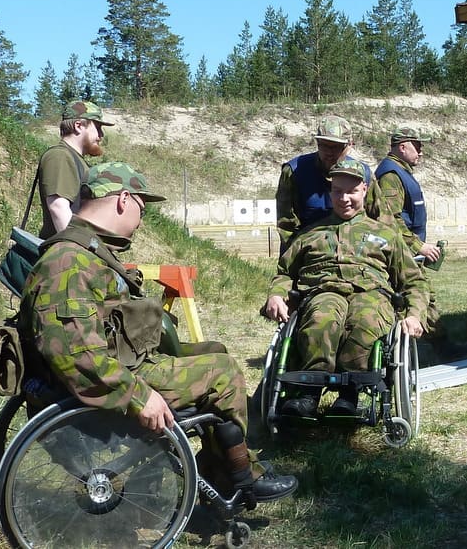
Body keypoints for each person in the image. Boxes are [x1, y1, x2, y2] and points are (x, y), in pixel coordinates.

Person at [19, 161, 297, 504]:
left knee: (216, 350)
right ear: (123, 199)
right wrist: (138, 395)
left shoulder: (85, 251)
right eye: (141, 206)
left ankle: (222, 466)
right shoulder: (69, 262)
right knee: (222, 373)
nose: (142, 216)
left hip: (123, 362)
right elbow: (74, 354)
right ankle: (239, 477)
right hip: (110, 383)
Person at [263, 157, 429, 418]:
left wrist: (415, 314)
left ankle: (349, 395)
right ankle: (309, 393)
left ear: (364, 190)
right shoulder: (310, 234)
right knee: (321, 318)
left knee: (365, 320)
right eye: (337, 191)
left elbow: (413, 281)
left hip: (372, 294)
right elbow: (285, 272)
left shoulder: (386, 235)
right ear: (330, 192)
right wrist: (276, 295)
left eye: (351, 191)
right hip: (323, 291)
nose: (344, 199)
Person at [274, 115, 391, 255]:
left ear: (349, 146)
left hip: (355, 256)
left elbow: (383, 220)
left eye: (336, 147)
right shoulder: (294, 172)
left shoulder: (363, 174)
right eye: (323, 145)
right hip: (310, 254)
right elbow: (287, 225)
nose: (329, 152)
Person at [375, 127, 444, 337]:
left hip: (408, 250)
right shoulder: (391, 176)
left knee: (421, 297)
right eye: (418, 146)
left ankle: (439, 345)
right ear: (402, 147)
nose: (421, 152)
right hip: (402, 251)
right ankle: (442, 348)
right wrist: (418, 245)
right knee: (420, 294)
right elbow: (390, 219)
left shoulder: (400, 172)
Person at [37, 101, 109, 239]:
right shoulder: (60, 156)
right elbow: (58, 208)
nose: (101, 135)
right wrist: (77, 252)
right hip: (63, 255)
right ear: (78, 126)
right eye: (98, 127)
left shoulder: (76, 160)